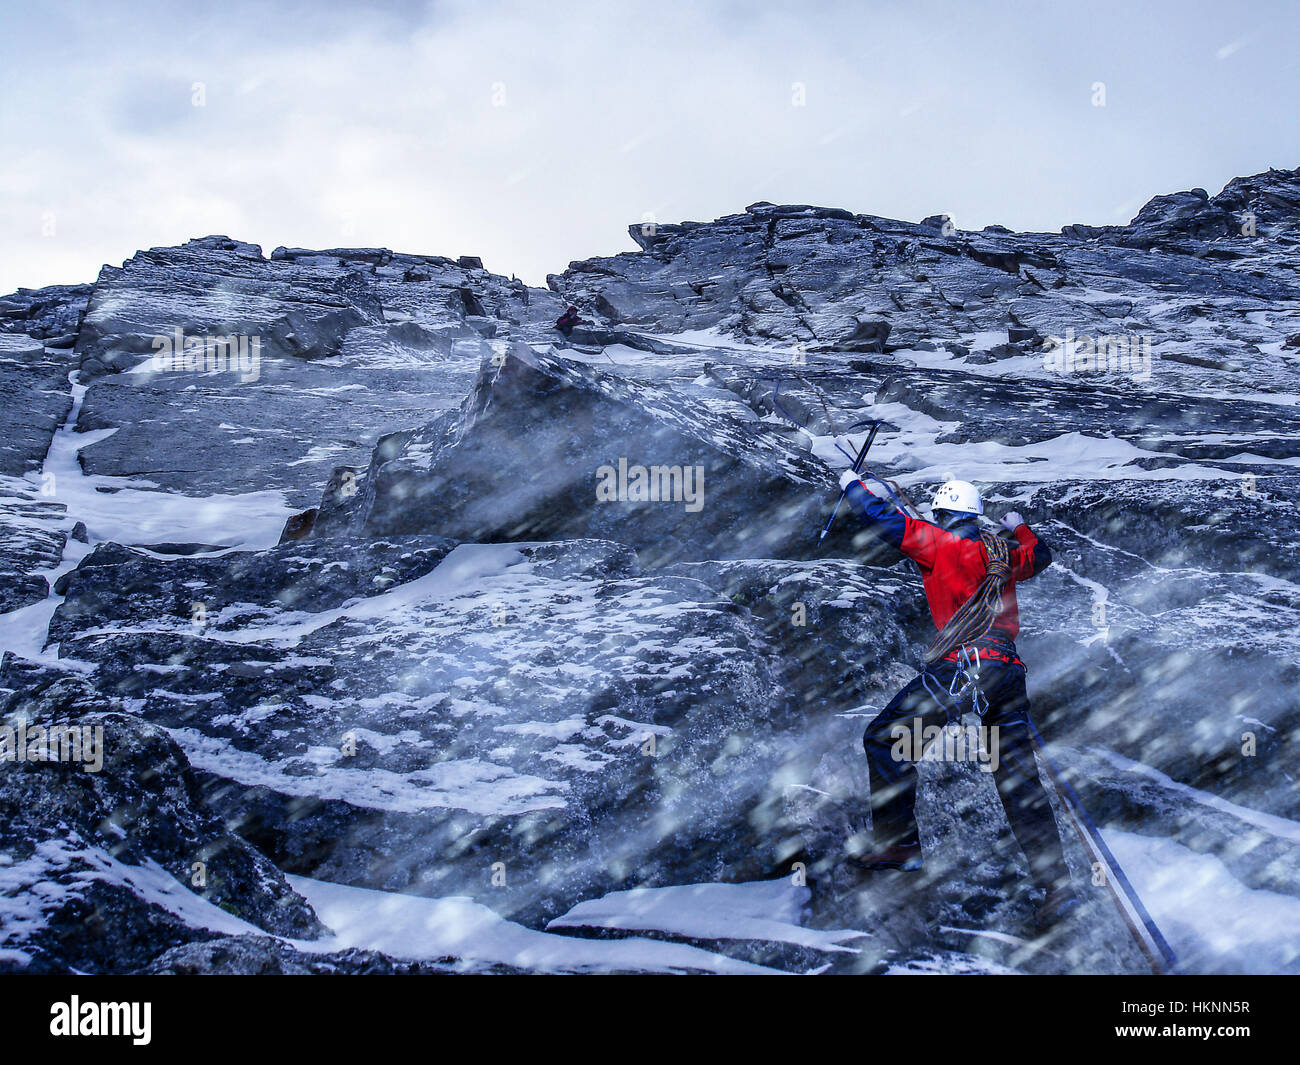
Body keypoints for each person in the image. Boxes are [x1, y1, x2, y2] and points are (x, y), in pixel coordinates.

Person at [839, 472, 1077, 925]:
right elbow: (1040, 554)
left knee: (886, 740)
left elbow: (881, 519)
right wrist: (1019, 525)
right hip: (1007, 672)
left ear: (945, 515)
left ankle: (899, 846)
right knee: (1019, 782)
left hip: (964, 668)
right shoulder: (1001, 552)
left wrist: (852, 483)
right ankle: (1057, 888)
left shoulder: (939, 543)